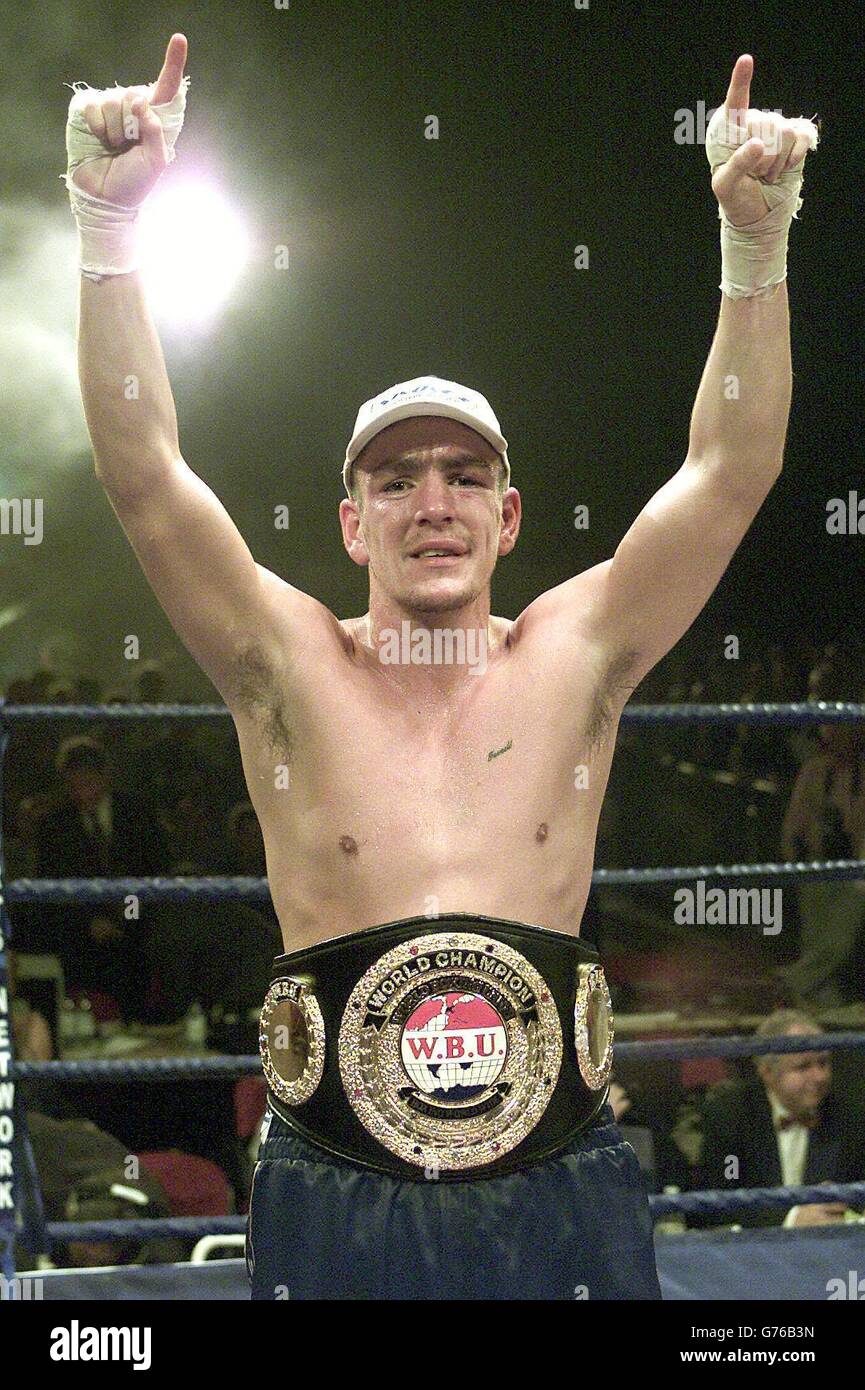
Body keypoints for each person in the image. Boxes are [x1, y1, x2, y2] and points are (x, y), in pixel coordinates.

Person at [65, 36, 818, 1299]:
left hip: (560, 1179)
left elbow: (727, 471)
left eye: (464, 476)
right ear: (352, 523)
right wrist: (105, 222)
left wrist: (756, 244)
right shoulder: (284, 664)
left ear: (508, 518)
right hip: (339, 1192)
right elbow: (143, 473)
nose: (433, 503)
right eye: (395, 479)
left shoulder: (576, 655)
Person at [694, 1009, 865, 1229]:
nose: (820, 1076)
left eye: (823, 1063)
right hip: (754, 1253)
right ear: (767, 1072)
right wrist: (791, 1220)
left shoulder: (849, 1115)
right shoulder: (731, 1115)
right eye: (803, 1067)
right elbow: (723, 1197)